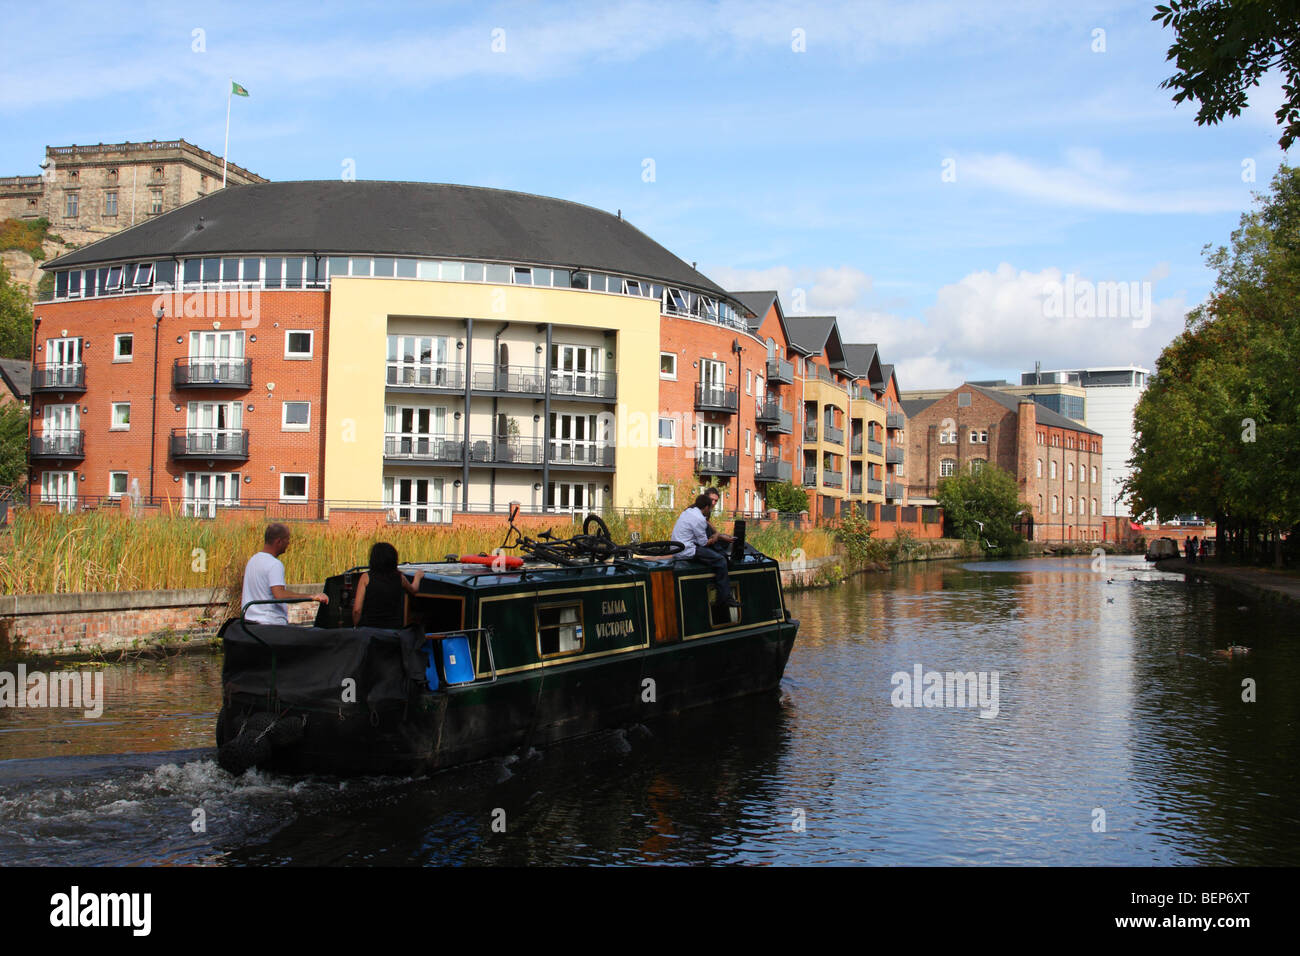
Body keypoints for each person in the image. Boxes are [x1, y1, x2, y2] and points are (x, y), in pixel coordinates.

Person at [241, 523, 328, 624]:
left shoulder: (252, 560)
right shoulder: (274, 564)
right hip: (270, 623)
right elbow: (280, 595)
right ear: (279, 541)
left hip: (250, 623)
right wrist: (312, 596)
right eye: (287, 539)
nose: (288, 543)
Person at [671, 491, 740, 613]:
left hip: (677, 547)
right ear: (706, 507)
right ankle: (725, 598)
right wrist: (717, 536)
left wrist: (717, 536)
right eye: (711, 505)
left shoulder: (689, 511)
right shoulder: (699, 519)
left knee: (716, 552)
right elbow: (704, 543)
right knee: (720, 561)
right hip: (687, 550)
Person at [352, 542, 425, 627]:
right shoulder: (400, 578)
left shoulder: (366, 577)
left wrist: (356, 627)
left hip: (370, 630)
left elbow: (357, 610)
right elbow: (414, 589)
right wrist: (418, 576)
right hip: (392, 631)